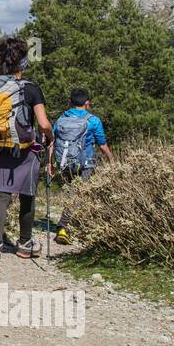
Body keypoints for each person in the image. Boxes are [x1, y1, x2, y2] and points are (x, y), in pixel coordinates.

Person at [0, 36, 52, 265]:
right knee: (27, 195)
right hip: (25, 149)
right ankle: (24, 244)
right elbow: (43, 124)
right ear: (23, 62)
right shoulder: (31, 88)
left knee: (1, 195)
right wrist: (50, 138)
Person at [50, 88, 112, 245]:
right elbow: (102, 145)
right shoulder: (93, 120)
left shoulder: (61, 118)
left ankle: (78, 224)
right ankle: (62, 227)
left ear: (70, 102)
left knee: (74, 193)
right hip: (86, 163)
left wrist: (50, 163)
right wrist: (112, 160)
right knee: (78, 194)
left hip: (65, 163)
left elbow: (53, 142)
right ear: (87, 103)